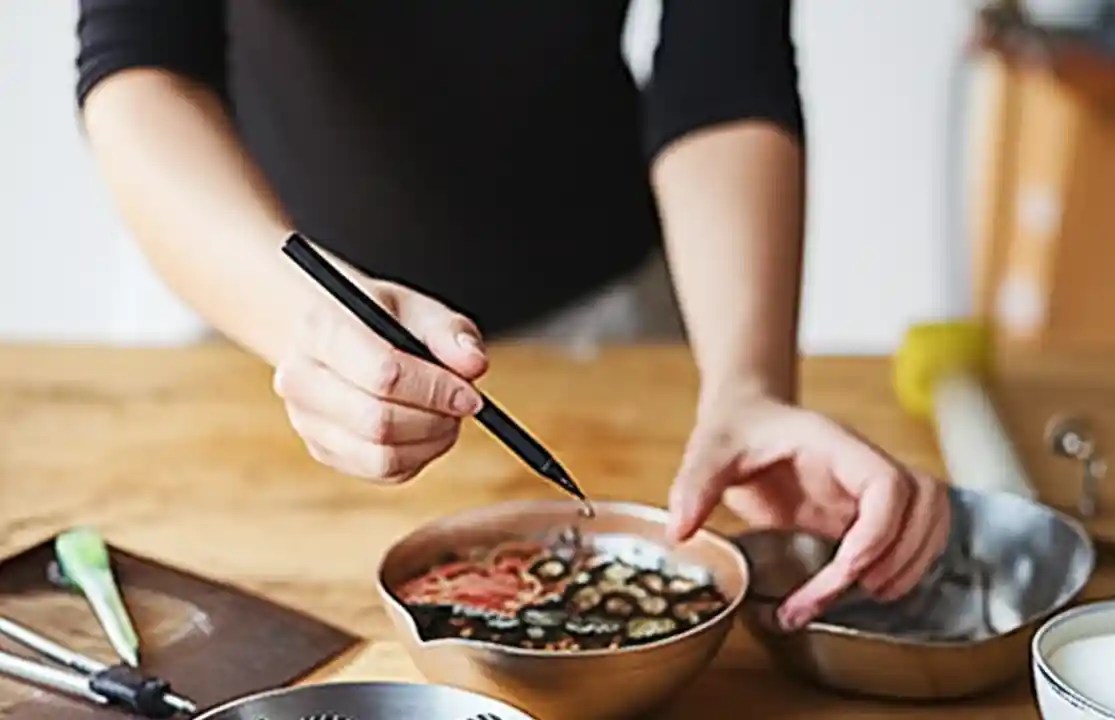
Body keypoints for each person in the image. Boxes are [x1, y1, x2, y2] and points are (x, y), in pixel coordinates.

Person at [74, 0, 950, 631]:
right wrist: (296, 318)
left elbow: (723, 68)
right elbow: (140, 64)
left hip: (609, 308)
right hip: (254, 285)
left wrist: (749, 385)